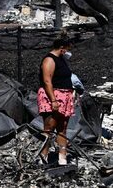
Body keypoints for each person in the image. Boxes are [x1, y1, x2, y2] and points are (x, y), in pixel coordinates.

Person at [36, 38, 75, 166]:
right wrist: (53, 100)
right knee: (49, 127)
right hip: (53, 95)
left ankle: (62, 157)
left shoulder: (62, 60)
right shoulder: (49, 60)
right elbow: (47, 81)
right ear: (62, 47)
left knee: (62, 128)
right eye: (67, 49)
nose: (68, 52)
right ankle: (43, 156)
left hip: (65, 96)